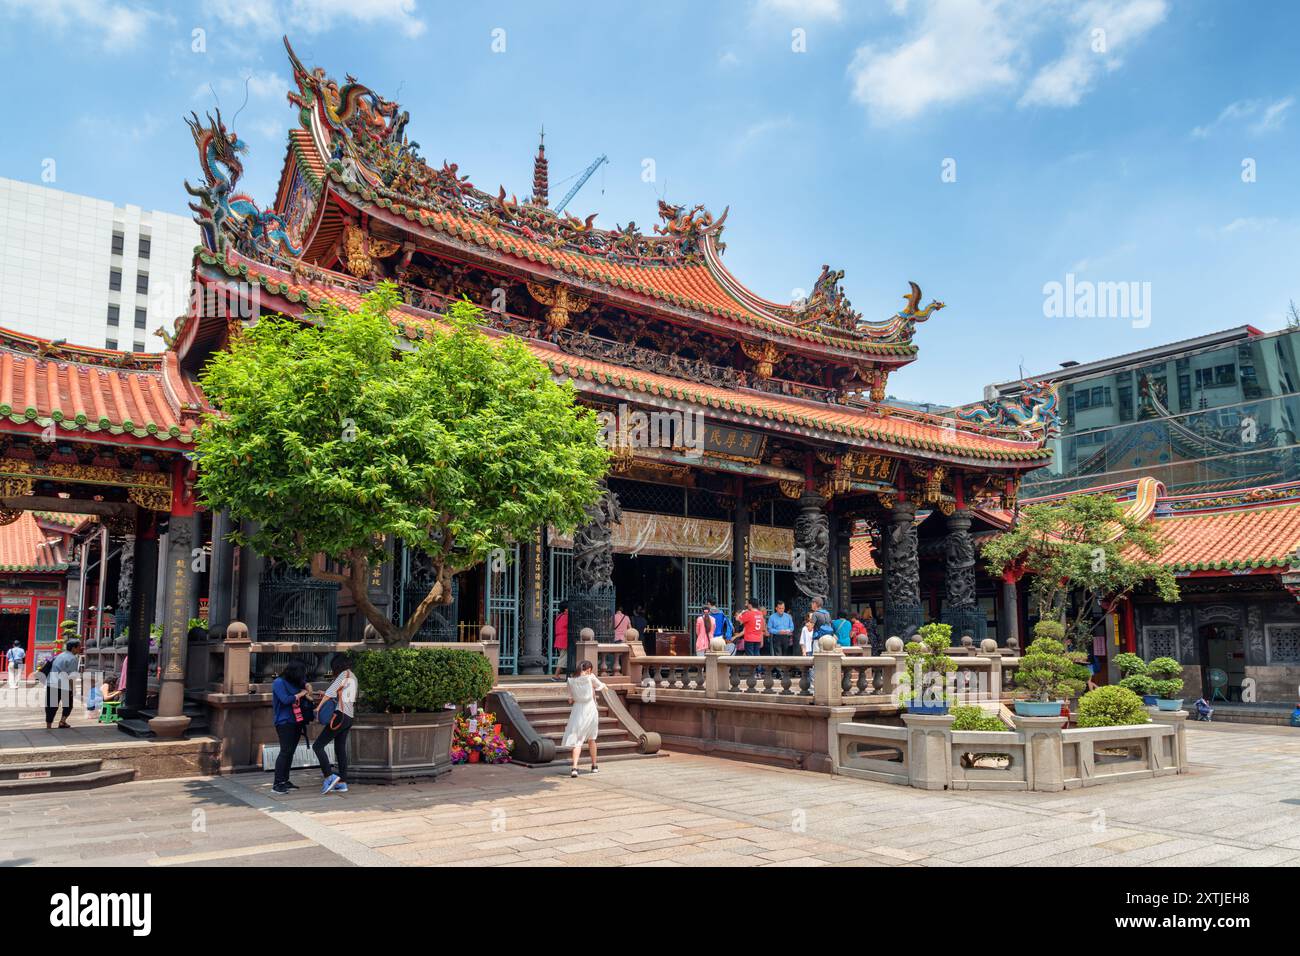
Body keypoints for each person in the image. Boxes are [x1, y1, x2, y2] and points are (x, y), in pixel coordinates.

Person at [315, 653, 357, 795]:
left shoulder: (343, 674)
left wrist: (319, 707)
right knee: (340, 748)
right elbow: (342, 695)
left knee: (318, 746)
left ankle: (329, 776)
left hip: (340, 715)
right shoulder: (353, 676)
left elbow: (331, 692)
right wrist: (326, 693)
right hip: (349, 716)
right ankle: (342, 782)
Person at [271, 660, 313, 794]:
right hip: (284, 722)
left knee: (290, 751)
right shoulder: (279, 682)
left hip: (297, 720)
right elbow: (285, 699)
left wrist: (307, 684)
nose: (302, 678)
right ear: (294, 673)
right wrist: (300, 694)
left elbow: (304, 684)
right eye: (301, 675)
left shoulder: (296, 681)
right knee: (285, 751)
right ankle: (277, 783)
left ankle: (285, 780)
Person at [562, 661, 607, 777]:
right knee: (592, 738)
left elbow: (570, 700)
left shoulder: (571, 681)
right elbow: (602, 686)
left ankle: (575, 768)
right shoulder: (590, 678)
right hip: (590, 709)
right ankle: (594, 765)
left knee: (578, 740)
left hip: (577, 710)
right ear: (589, 669)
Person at [44, 638, 81, 729]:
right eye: (78, 647)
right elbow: (72, 676)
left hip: (52, 683)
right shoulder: (73, 658)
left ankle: (49, 725)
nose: (79, 649)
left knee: (51, 705)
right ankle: (62, 721)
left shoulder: (58, 655)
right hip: (64, 685)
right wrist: (73, 689)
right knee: (68, 705)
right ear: (73, 648)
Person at [552, 602, 571, 679]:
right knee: (563, 658)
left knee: (563, 657)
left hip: (559, 640)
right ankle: (556, 675)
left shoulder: (559, 617)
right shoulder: (566, 617)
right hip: (564, 640)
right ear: (566, 609)